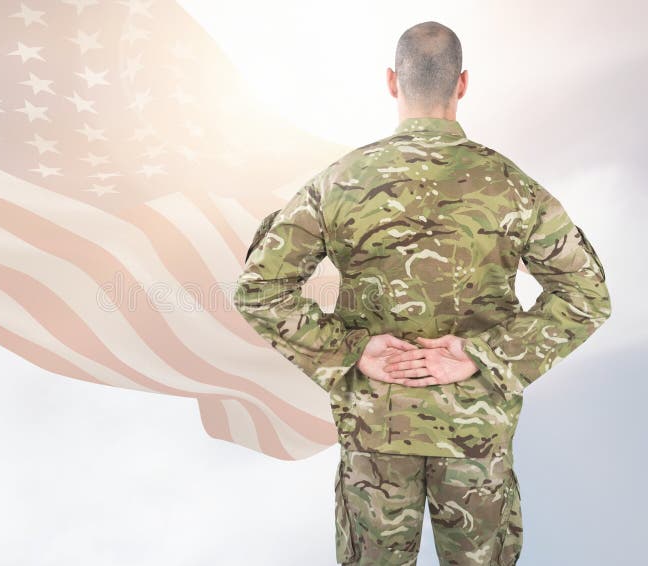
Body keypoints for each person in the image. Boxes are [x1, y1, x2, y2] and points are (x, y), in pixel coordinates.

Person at [232, 20, 611, 566]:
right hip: (476, 436)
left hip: (376, 432)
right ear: (461, 84)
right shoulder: (511, 186)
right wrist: (482, 356)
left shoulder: (339, 182)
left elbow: (260, 288)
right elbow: (585, 294)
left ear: (392, 81)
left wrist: (351, 351)